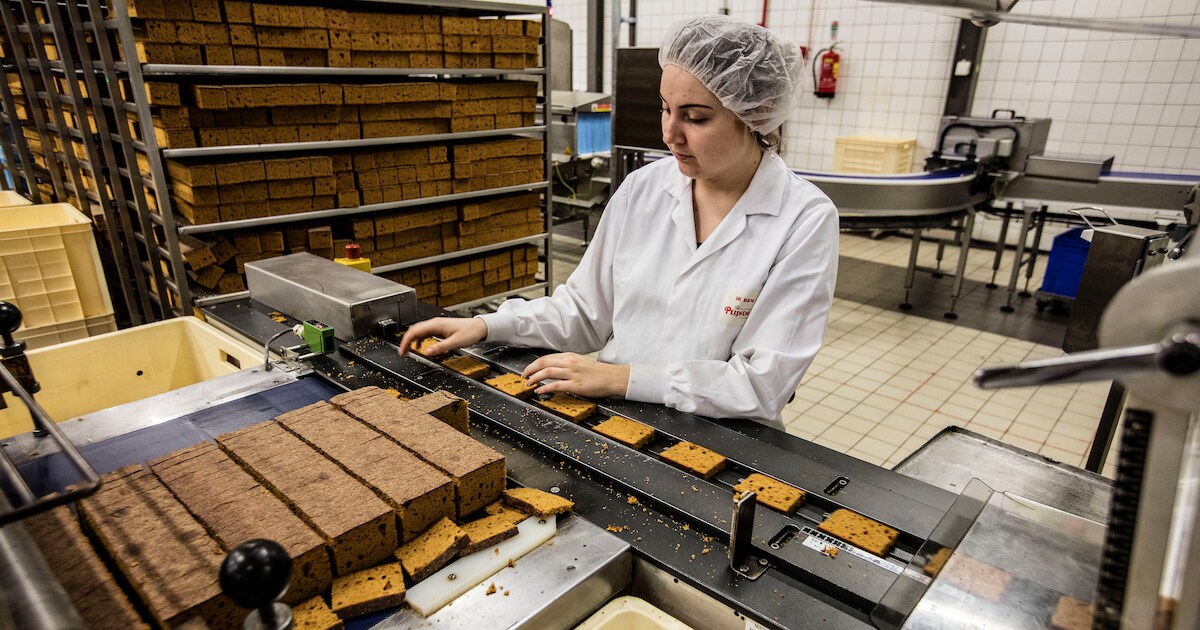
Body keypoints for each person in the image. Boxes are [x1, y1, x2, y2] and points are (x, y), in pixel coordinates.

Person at [400, 15, 838, 431]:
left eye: (696, 117)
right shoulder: (643, 190)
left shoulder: (802, 219)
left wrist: (621, 379)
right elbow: (584, 313)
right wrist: (487, 325)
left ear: (757, 114)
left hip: (729, 440)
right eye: (666, 108)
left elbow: (762, 384)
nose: (670, 133)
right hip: (620, 420)